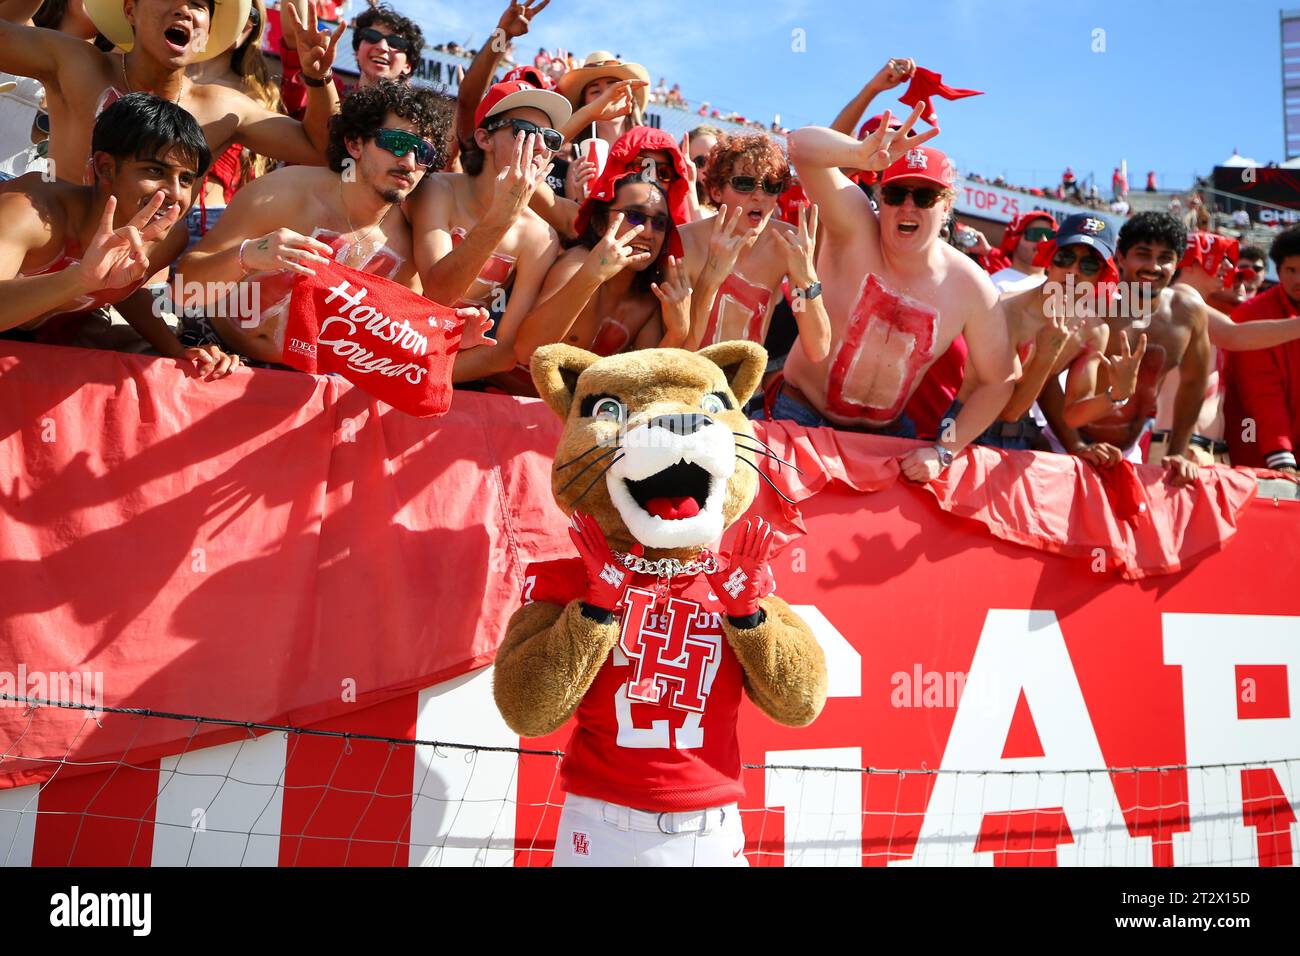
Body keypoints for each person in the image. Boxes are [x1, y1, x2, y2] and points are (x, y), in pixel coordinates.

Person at [176, 80, 490, 369]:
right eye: (396, 142)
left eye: (423, 151)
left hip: (309, 385)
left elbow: (398, 344)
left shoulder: (404, 249)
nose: (409, 162)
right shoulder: (282, 194)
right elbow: (182, 290)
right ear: (354, 144)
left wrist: (448, 342)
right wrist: (247, 255)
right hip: (213, 349)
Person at [784, 111, 1015, 481]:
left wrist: (944, 451)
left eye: (923, 196)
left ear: (946, 207)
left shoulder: (970, 285)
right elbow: (799, 145)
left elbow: (1000, 379)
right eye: (895, 194)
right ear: (879, 197)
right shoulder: (854, 226)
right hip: (799, 415)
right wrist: (859, 154)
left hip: (889, 438)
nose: (907, 206)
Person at [0, 91, 236, 375]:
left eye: (185, 179)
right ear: (105, 167)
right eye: (155, 170)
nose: (175, 193)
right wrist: (78, 280)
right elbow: (94, 281)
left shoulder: (169, 238)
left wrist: (176, 349)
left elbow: (123, 289)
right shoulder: (28, 213)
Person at [0, 0, 339, 185]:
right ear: (130, 10)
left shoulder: (223, 108)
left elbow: (324, 150)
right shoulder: (76, 62)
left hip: (122, 292)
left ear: (208, 31)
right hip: (38, 256)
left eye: (199, 4)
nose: (184, 10)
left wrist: (318, 79)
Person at [408, 78, 565, 391]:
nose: (538, 144)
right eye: (524, 130)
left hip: (448, 373)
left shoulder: (541, 236)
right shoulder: (436, 190)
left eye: (549, 137)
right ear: (483, 138)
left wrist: (423, 377)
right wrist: (503, 214)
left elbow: (504, 352)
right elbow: (438, 294)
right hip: (391, 340)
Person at [1040, 212, 1210, 484]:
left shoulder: (1188, 311)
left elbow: (1194, 383)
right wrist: (1076, 446)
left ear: (1178, 263)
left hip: (1128, 455)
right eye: (1143, 254)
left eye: (1165, 258)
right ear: (1120, 257)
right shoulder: (1092, 304)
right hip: (1066, 447)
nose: (1153, 266)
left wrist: (1177, 452)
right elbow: (1044, 377)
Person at [979, 214, 1141, 453]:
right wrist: (1046, 357)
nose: (1073, 271)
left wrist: (1118, 394)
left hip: (1019, 439)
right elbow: (1009, 411)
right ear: (1050, 258)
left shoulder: (1093, 331)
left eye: (1088, 265)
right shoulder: (1006, 310)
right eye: (1065, 257)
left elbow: (1074, 414)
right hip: (967, 433)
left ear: (1101, 276)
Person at [677, 133, 830, 383]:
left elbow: (819, 349)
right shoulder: (685, 242)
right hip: (688, 386)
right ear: (716, 191)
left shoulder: (788, 244)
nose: (759, 196)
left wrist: (807, 278)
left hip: (746, 398)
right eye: (745, 183)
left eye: (770, 185)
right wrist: (711, 276)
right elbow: (678, 346)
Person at [513, 167, 691, 360]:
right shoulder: (576, 264)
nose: (648, 232)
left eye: (659, 223)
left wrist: (678, 332)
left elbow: (645, 383)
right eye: (635, 216)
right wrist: (591, 276)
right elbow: (526, 352)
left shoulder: (649, 298)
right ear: (599, 224)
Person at [185, 0, 278, 242]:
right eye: (234, 10)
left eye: (252, 14)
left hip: (212, 223)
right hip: (146, 211)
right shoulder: (162, 68)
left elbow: (313, 144)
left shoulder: (255, 96)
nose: (243, 19)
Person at [1224, 225, 1300, 472]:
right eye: (1291, 270)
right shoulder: (1252, 315)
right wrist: (1280, 455)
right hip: (1263, 453)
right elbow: (1262, 393)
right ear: (1277, 271)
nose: (1298, 279)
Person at [277, 0, 420, 124]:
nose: (381, 47)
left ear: (408, 65)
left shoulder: (416, 120)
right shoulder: (326, 89)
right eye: (371, 36)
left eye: (396, 42)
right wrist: (314, 73)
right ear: (357, 52)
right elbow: (294, 37)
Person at [978, 211, 1057, 292]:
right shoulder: (994, 285)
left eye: (1050, 235)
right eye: (1035, 234)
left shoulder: (1060, 288)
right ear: (1014, 240)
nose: (1044, 240)